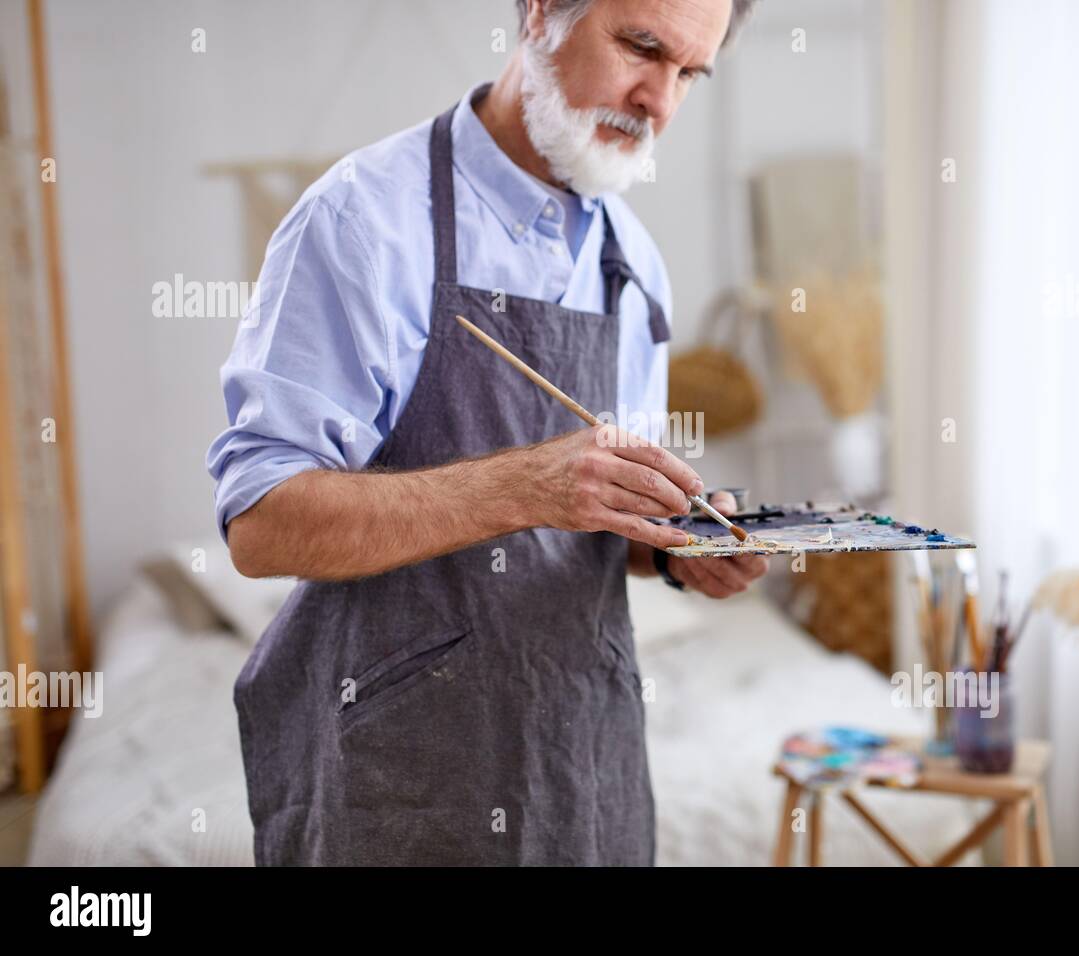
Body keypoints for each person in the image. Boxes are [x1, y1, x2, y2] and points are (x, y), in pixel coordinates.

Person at [206, 0, 767, 865]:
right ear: (542, 10)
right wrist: (523, 485)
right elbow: (262, 523)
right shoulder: (363, 220)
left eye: (689, 73)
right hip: (399, 770)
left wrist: (678, 547)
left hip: (582, 759)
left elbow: (600, 526)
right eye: (640, 47)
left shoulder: (633, 262)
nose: (657, 99)